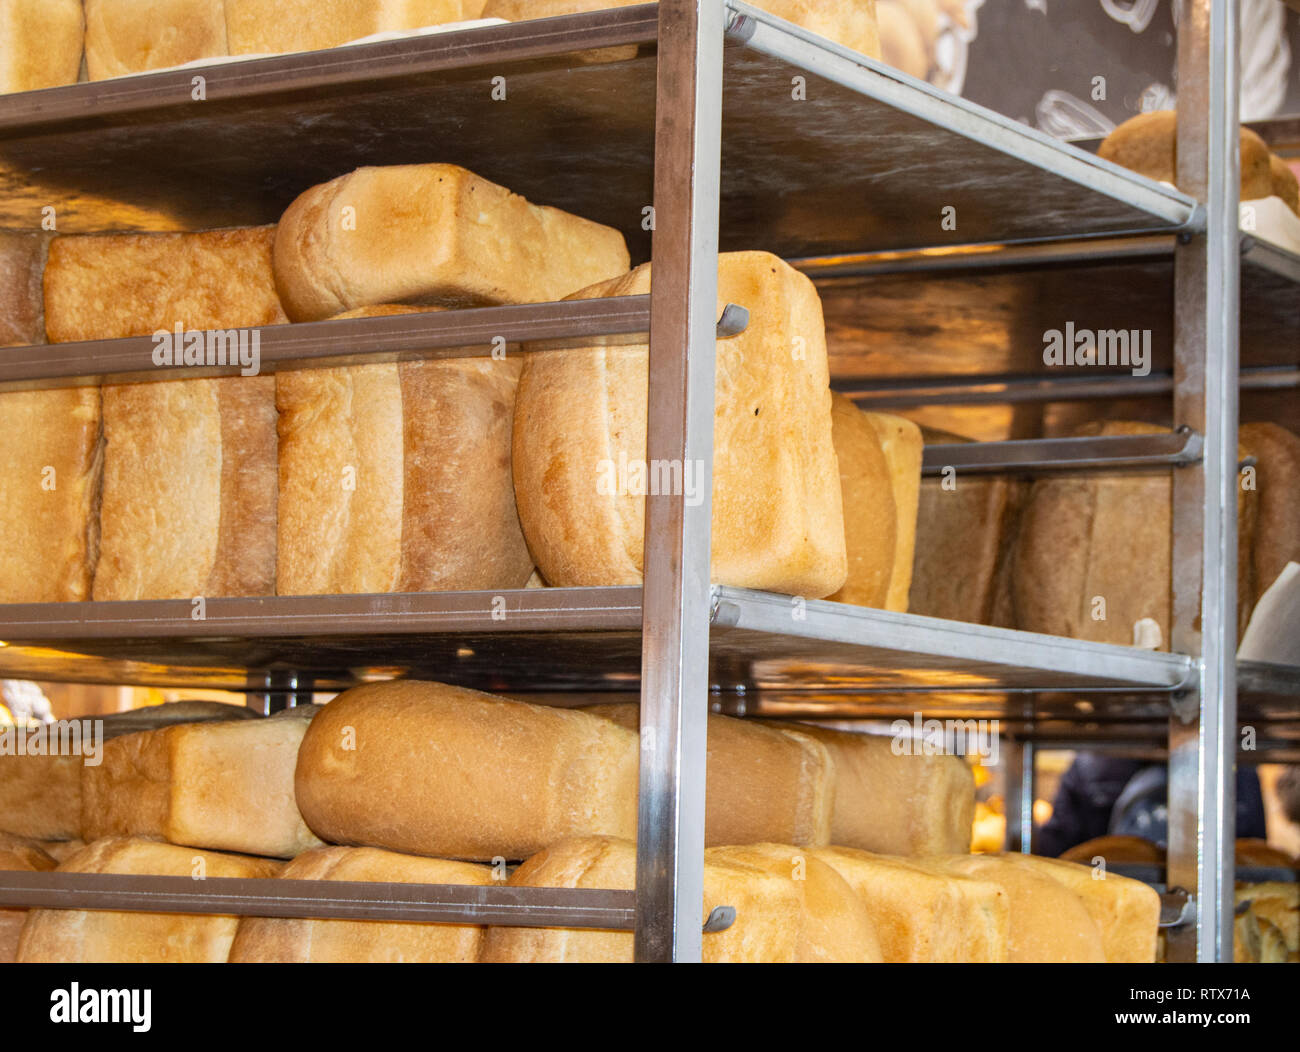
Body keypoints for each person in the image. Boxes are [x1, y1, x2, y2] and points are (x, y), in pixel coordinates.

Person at [1035, 752, 1267, 858]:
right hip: (1215, 922)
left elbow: (1055, 855)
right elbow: (1256, 861)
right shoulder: (1236, 766)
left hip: (1114, 916)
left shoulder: (1092, 762)